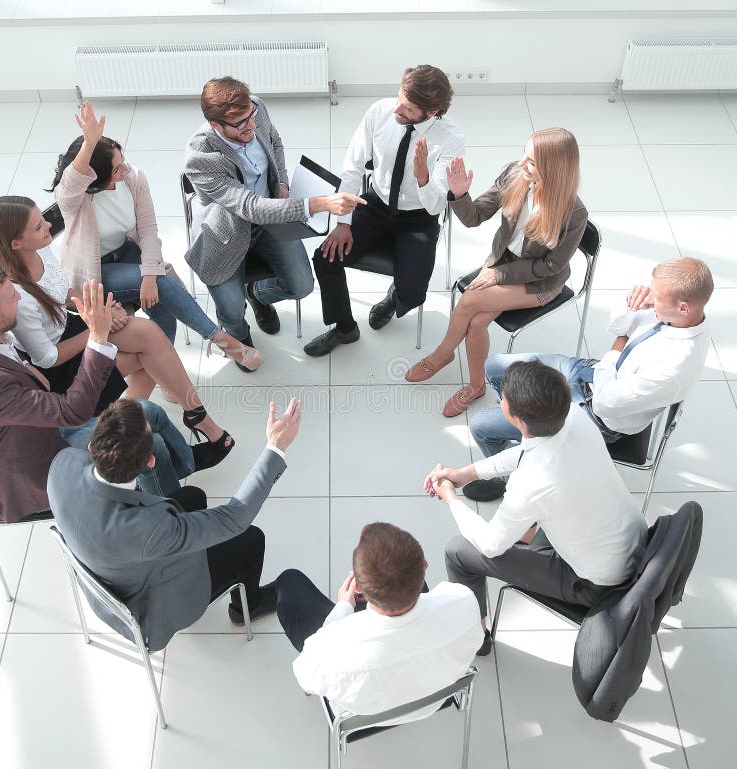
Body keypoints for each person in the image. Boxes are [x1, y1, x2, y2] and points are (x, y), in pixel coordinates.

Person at [0, 264, 209, 523]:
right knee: (149, 443)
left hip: (38, 425)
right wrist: (97, 335)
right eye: (11, 297)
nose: (18, 295)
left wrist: (25, 365)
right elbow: (73, 411)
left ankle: (182, 468)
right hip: (37, 464)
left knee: (150, 412)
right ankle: (170, 523)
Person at [0, 195, 234, 467]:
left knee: (148, 334)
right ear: (15, 243)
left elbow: (61, 292)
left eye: (41, 219)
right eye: (37, 226)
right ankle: (124, 435)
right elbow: (46, 358)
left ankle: (190, 417)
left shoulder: (39, 248)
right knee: (146, 360)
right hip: (61, 367)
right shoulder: (16, 298)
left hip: (75, 327)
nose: (48, 225)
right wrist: (96, 328)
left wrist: (97, 308)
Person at [425, 360, 647, 655]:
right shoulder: (574, 417)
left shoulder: (531, 483)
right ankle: (530, 543)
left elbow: (491, 546)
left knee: (458, 551)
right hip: (632, 543)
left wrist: (451, 497)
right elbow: (528, 451)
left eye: (502, 398)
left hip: (595, 582)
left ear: (516, 418)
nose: (500, 400)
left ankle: (475, 637)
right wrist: (467, 473)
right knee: (532, 518)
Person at [47, 396, 302, 652]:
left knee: (194, 497)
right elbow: (235, 517)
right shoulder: (153, 528)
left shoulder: (62, 463)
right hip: (150, 608)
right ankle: (247, 606)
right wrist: (275, 447)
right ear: (150, 462)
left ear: (91, 445)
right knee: (251, 539)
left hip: (107, 572)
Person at [464, 256, 713, 501]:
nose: (651, 298)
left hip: (595, 415)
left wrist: (614, 351)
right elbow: (616, 329)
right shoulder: (673, 314)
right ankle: (526, 429)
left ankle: (512, 477)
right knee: (495, 366)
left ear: (683, 307)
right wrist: (631, 305)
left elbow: (606, 402)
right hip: (593, 375)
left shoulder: (676, 365)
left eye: (656, 297)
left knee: (481, 426)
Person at [49, 101, 263, 371]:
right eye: (117, 169)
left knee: (161, 305)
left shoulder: (133, 178)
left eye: (123, 162)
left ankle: (160, 372)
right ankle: (219, 339)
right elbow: (71, 182)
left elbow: (149, 229)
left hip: (126, 253)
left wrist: (149, 275)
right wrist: (90, 142)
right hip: (95, 273)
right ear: (95, 180)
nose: (125, 170)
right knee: (160, 283)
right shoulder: (75, 200)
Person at [405, 128, 588, 417]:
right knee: (476, 323)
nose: (522, 165)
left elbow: (550, 266)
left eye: (531, 162)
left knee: (469, 301)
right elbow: (474, 217)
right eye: (524, 156)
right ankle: (476, 386)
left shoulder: (574, 213)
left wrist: (497, 276)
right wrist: (460, 193)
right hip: (502, 261)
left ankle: (442, 354)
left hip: (540, 282)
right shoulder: (515, 175)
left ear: (554, 169)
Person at [183, 77, 364, 366]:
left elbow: (275, 142)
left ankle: (257, 295)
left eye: (251, 117)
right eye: (241, 125)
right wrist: (318, 204)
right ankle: (239, 336)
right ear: (217, 125)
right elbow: (249, 207)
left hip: (270, 223)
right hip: (225, 235)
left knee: (302, 286)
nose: (251, 126)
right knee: (231, 311)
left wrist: (280, 181)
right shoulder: (200, 157)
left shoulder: (255, 108)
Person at [303, 65, 464, 357]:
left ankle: (392, 300)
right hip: (375, 205)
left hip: (418, 219)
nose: (397, 109)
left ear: (431, 112)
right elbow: (352, 168)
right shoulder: (380, 111)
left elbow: (437, 204)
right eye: (399, 97)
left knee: (413, 294)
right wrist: (343, 222)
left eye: (408, 108)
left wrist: (424, 177)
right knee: (325, 258)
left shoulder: (451, 139)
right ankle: (344, 328)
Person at [275, 522, 483, 721]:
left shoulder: (331, 648)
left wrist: (343, 607)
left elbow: (305, 676)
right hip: (433, 700)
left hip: (366, 717)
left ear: (359, 588)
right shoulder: (463, 602)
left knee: (290, 580)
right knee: (403, 572)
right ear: (425, 566)